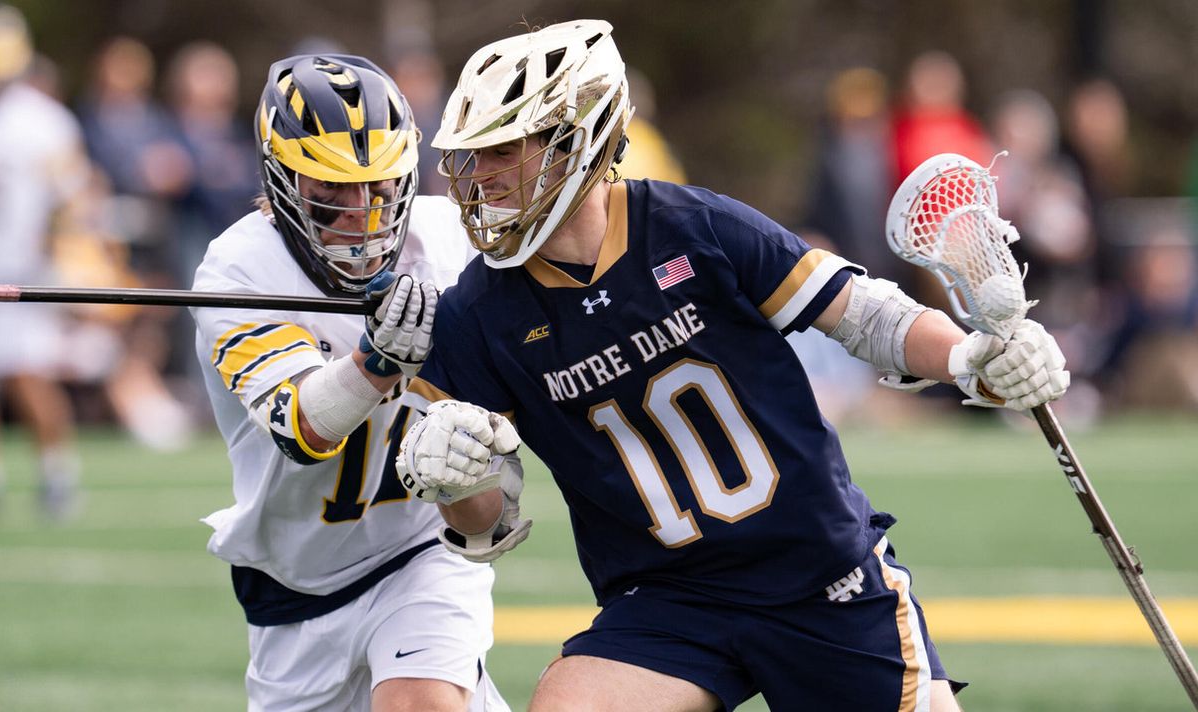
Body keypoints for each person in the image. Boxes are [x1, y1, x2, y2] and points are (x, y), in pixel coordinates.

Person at [396, 20, 1070, 712]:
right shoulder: (477, 310)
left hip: (814, 574)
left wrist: (967, 358)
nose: (478, 177)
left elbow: (868, 315)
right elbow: (486, 525)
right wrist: (456, 480)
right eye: (472, 156)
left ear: (577, 138)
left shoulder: (692, 227)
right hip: (667, 600)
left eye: (501, 150)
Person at [190, 54, 508, 711]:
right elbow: (302, 430)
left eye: (382, 186)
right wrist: (377, 362)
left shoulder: (450, 239)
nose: (363, 212)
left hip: (421, 550)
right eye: (332, 190)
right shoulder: (240, 269)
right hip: (296, 585)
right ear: (282, 181)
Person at [0, 3, 87, 518]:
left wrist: (56, 246)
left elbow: (73, 196)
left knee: (26, 371)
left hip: (20, 268)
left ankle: (57, 472)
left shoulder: (41, 121)